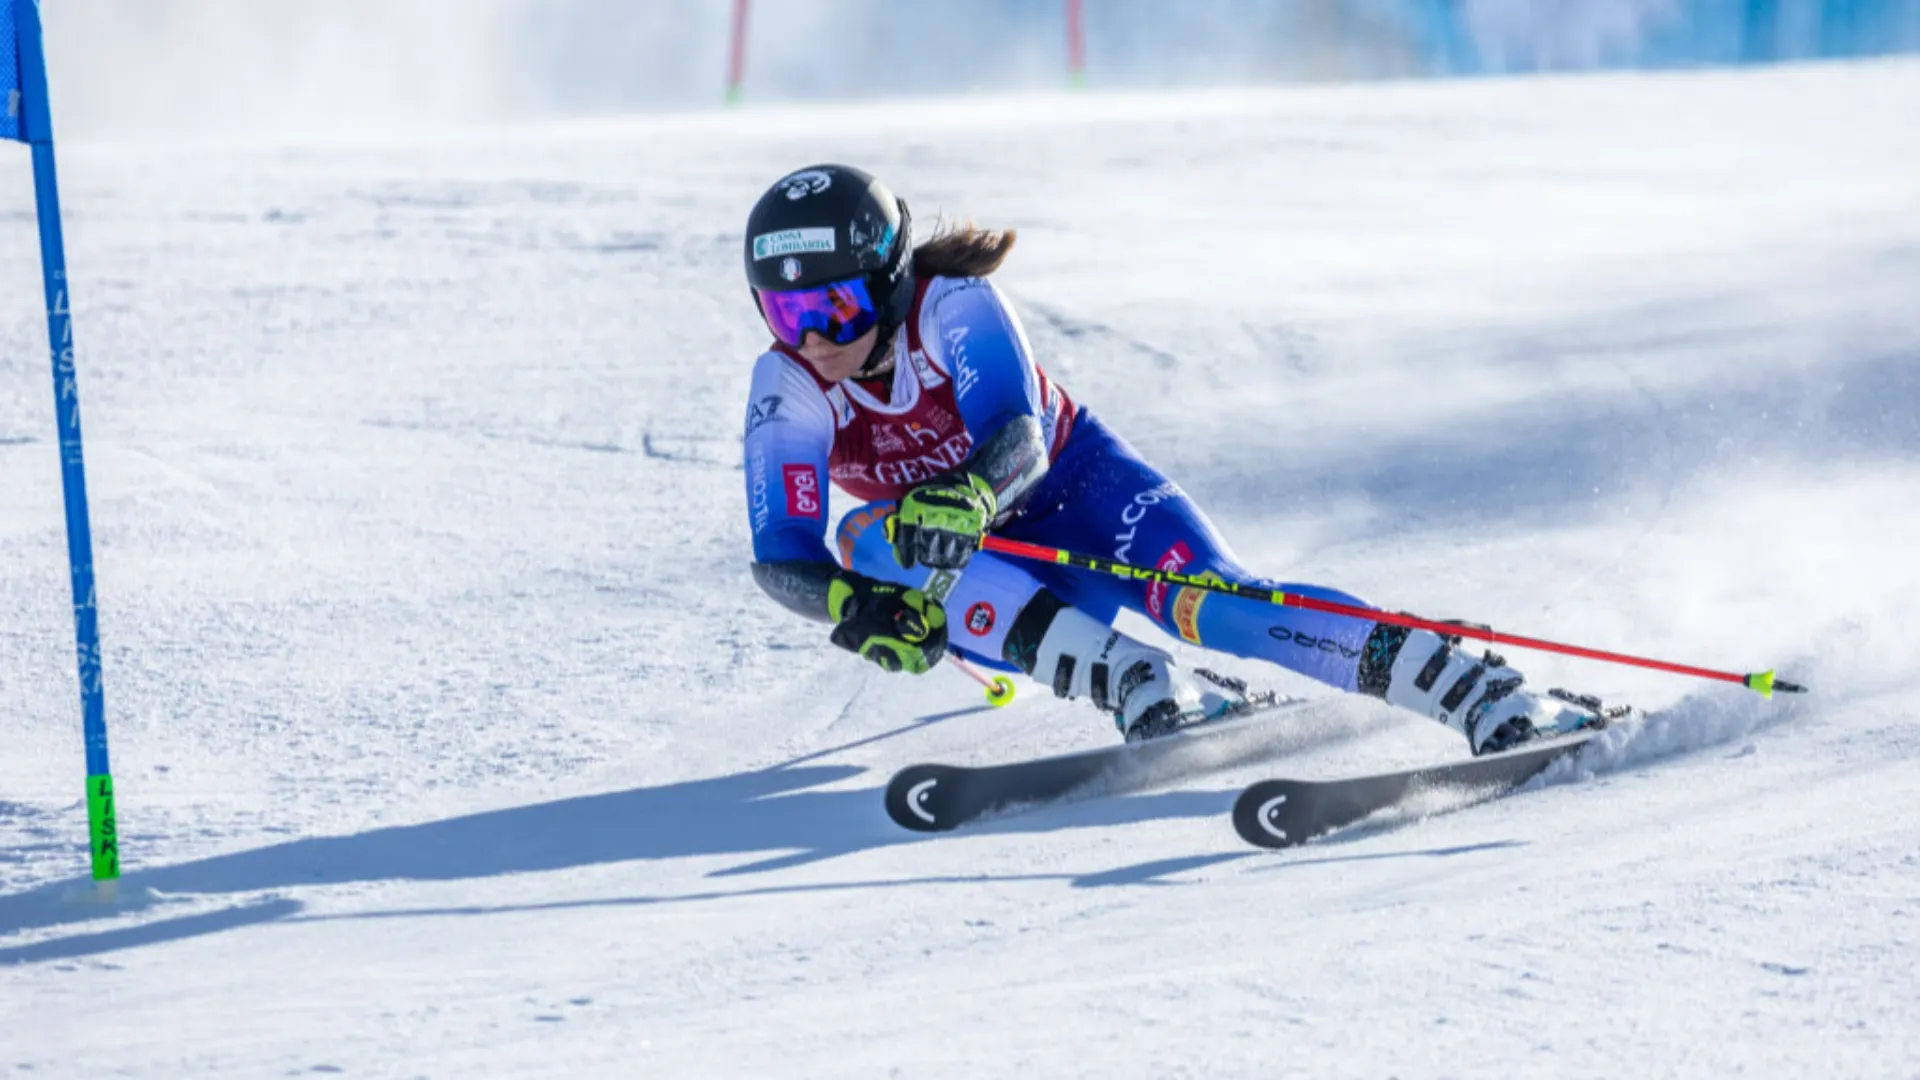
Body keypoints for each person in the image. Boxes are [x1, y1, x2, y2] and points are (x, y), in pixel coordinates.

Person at [741, 163, 1599, 750]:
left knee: (1218, 609)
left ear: (891, 281)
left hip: (1083, 495)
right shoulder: (789, 387)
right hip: (992, 573)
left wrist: (967, 496)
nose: (815, 338)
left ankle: (1473, 685)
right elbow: (782, 554)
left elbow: (1019, 438)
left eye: (840, 307)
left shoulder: (953, 307)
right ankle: (1134, 681)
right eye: (787, 315)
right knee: (867, 541)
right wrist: (857, 608)